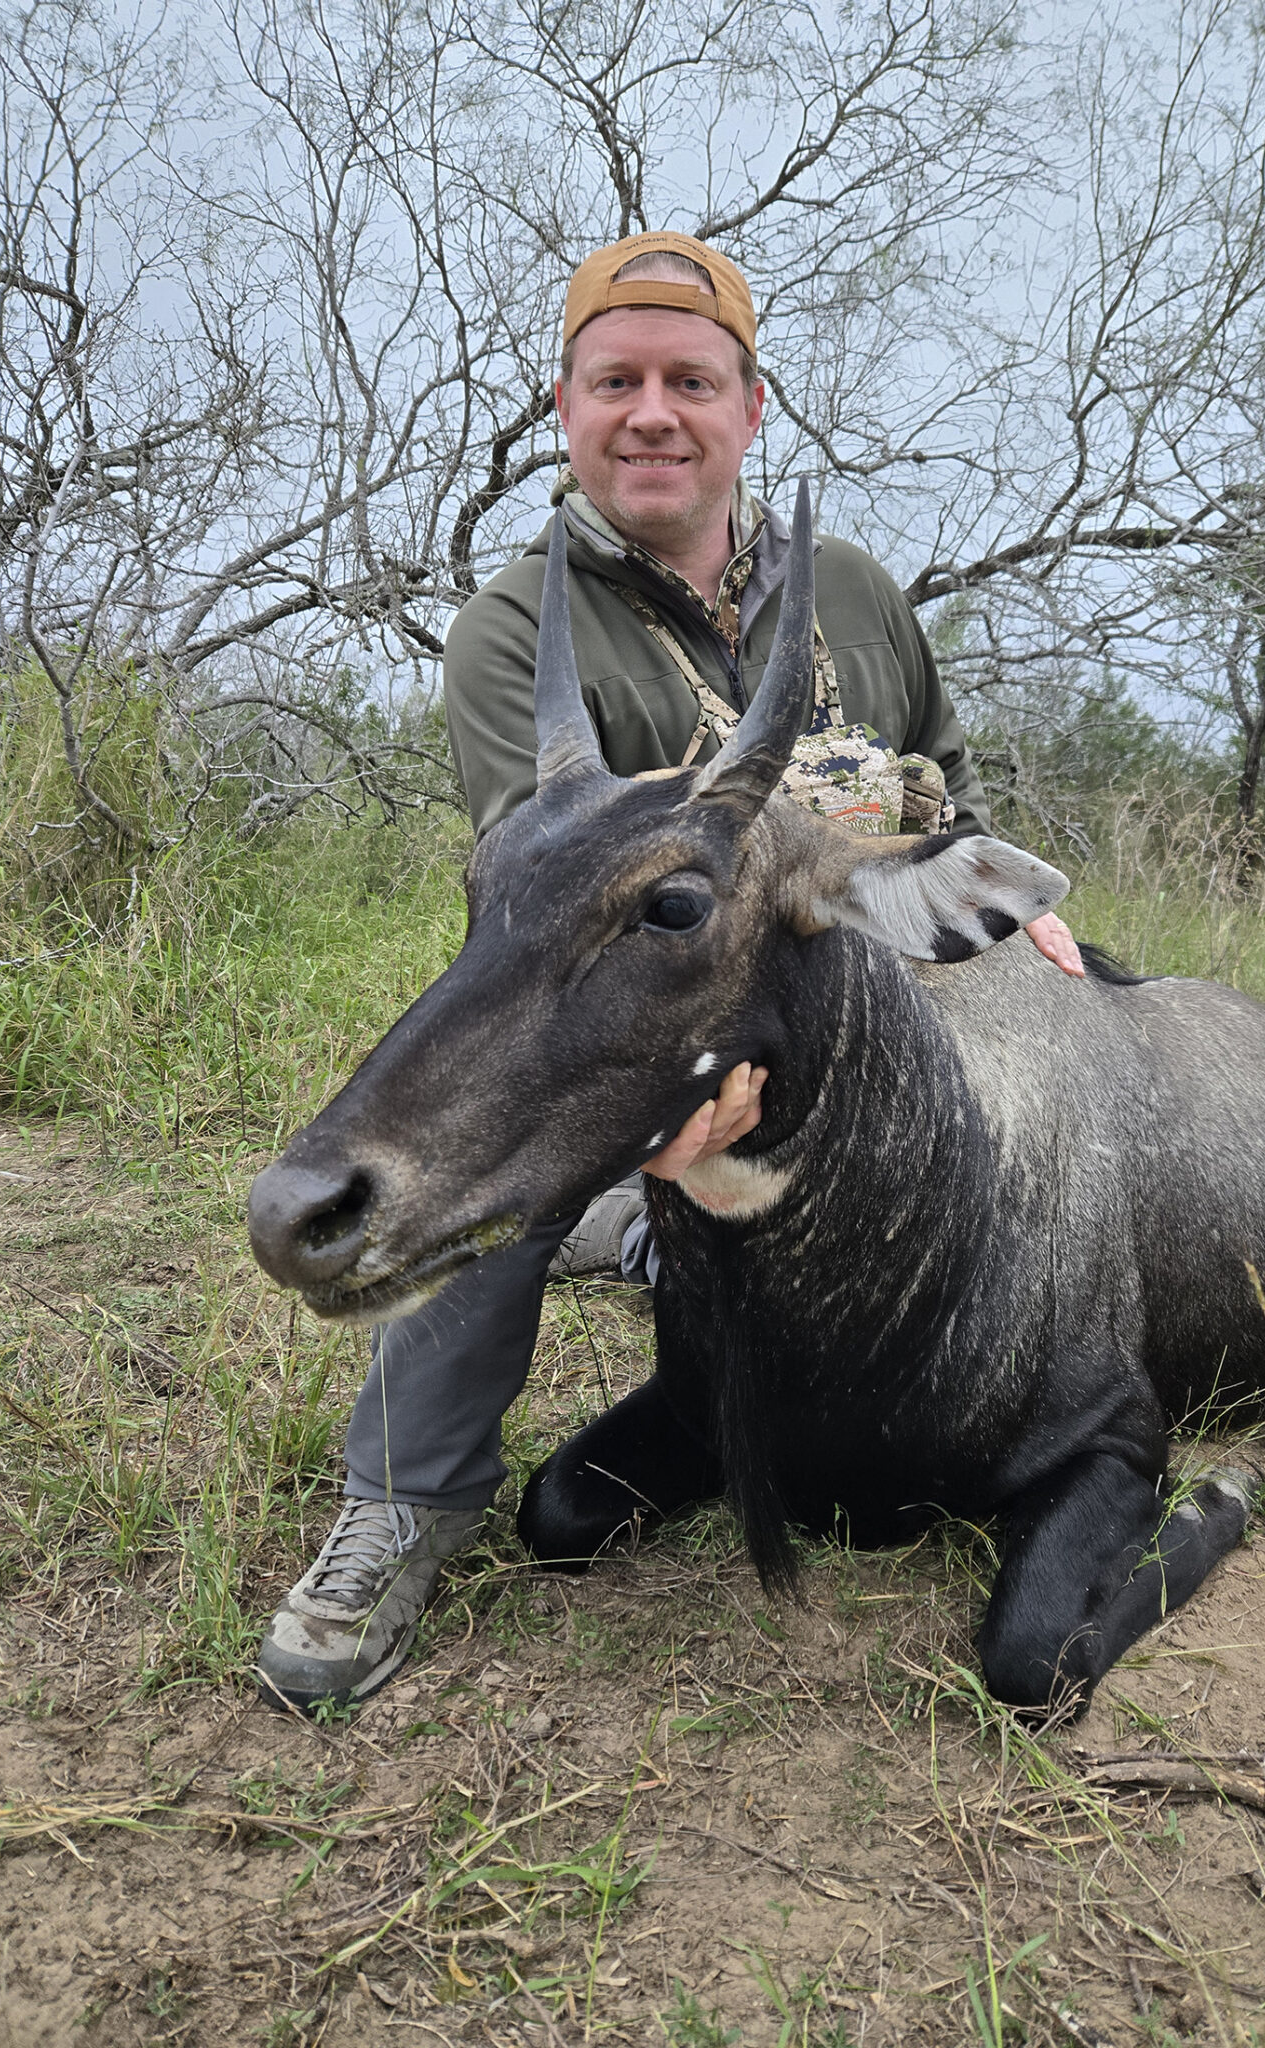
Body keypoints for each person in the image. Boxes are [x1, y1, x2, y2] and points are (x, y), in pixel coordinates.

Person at [254, 231, 1082, 1711]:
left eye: (690, 381)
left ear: (748, 408)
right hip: (648, 1009)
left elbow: (945, 788)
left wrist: (1014, 913)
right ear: (565, 407)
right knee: (515, 1109)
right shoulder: (517, 627)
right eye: (615, 381)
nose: (653, 413)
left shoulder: (850, 589)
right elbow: (541, 901)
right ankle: (406, 1498)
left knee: (1056, 1105)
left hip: (872, 1033)